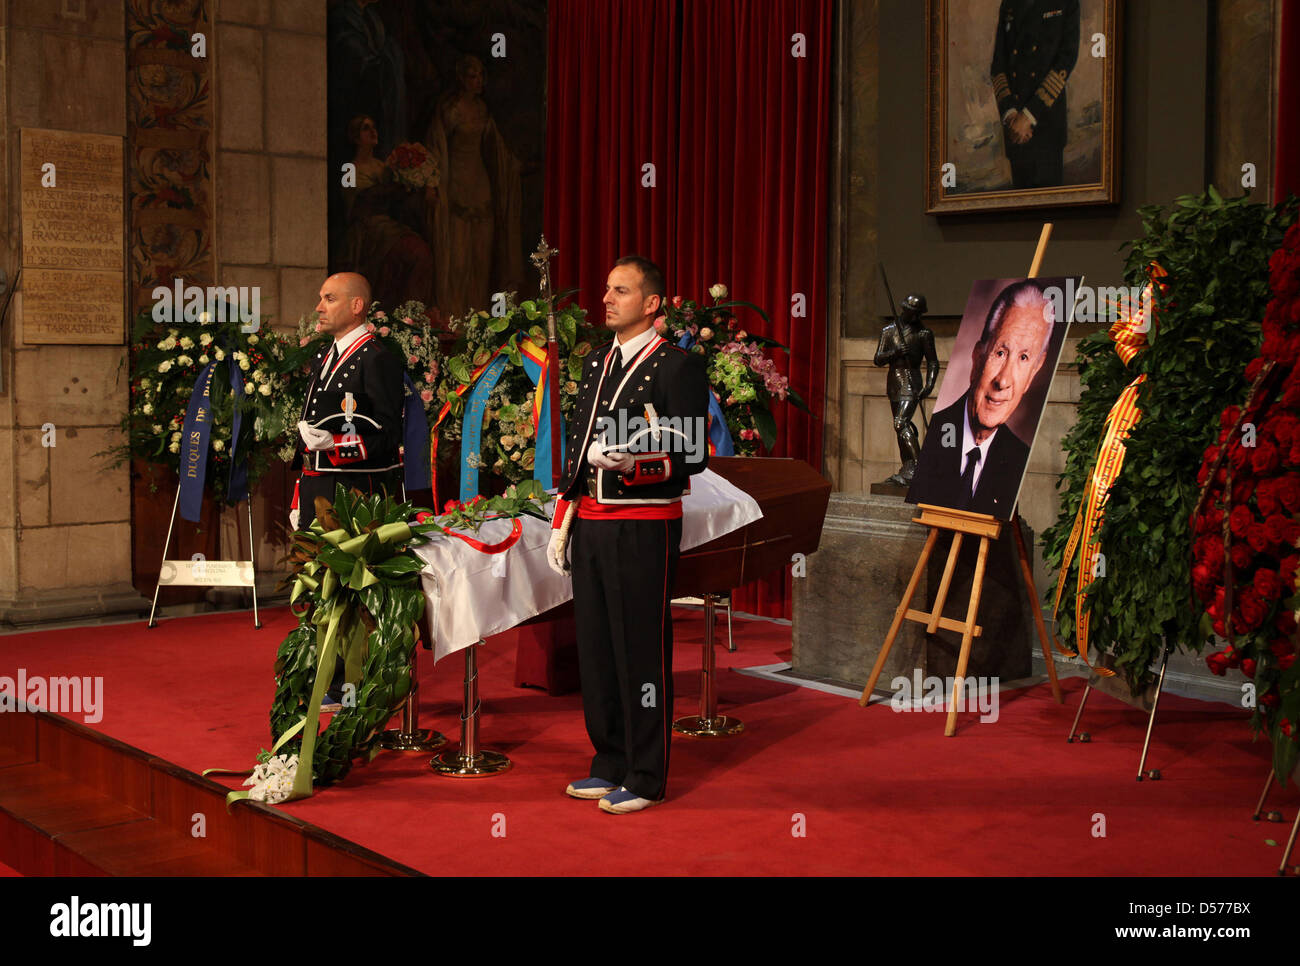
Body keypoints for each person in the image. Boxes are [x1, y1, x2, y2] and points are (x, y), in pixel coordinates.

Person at [546, 255, 710, 814]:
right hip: (591, 523)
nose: (607, 299)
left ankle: (645, 775)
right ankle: (609, 760)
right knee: (597, 650)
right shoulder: (597, 362)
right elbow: (577, 446)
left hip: (643, 527)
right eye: (607, 289)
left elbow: (690, 457)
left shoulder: (676, 366)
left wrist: (633, 463)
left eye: (621, 290)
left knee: (639, 652)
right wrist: (564, 515)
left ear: (652, 302)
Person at [907, 281, 1055, 519]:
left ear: (1033, 375)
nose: (1003, 381)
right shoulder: (937, 435)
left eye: (1024, 357)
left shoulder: (1018, 457)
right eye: (1000, 352)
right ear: (977, 358)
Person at [989, 0, 1080, 189]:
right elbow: (998, 66)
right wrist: (1010, 114)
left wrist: (1028, 116)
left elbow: (1066, 60)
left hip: (1045, 124)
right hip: (1015, 131)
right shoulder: (1009, 4)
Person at [874, 293, 939, 486]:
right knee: (901, 427)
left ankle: (919, 467)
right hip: (894, 381)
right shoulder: (888, 330)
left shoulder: (923, 333)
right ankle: (908, 468)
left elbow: (933, 362)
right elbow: (877, 359)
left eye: (919, 313)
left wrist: (930, 384)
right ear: (905, 309)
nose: (917, 317)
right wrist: (894, 352)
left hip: (912, 381)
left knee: (900, 423)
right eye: (914, 312)